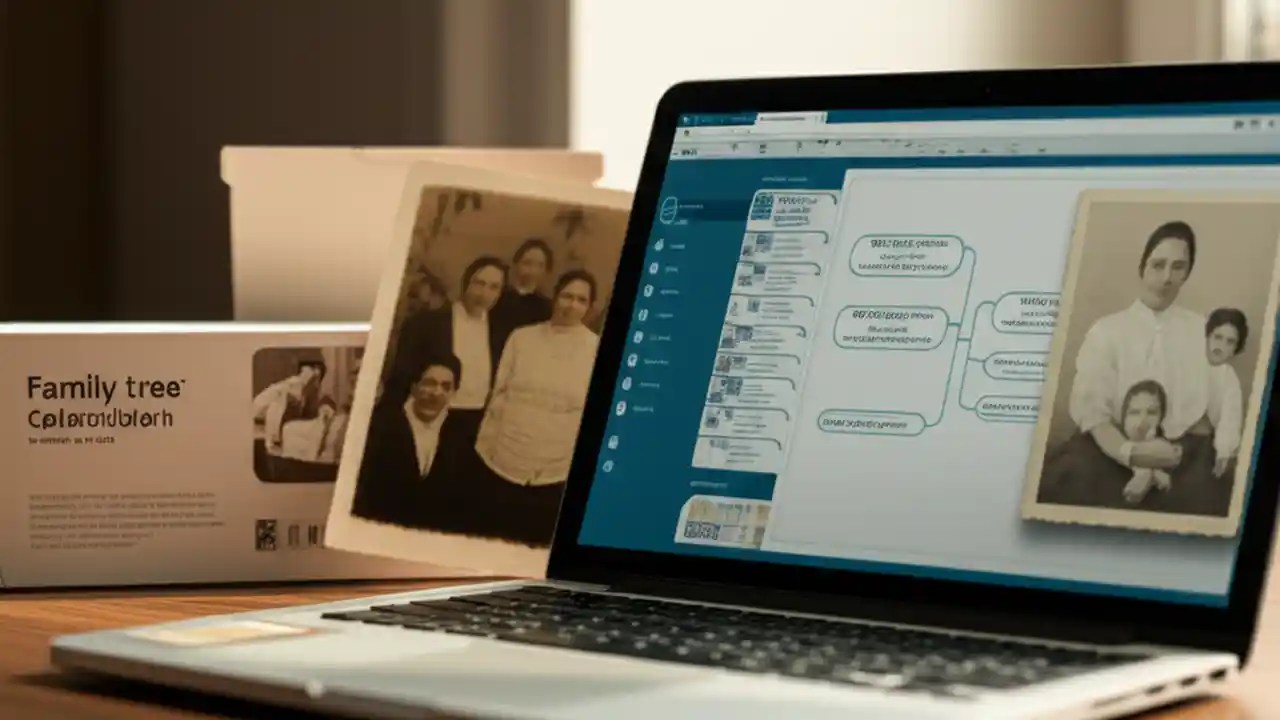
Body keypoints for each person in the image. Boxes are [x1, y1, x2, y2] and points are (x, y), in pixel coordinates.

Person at [1041, 220, 1229, 515]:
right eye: (1158, 265)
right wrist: (1133, 453)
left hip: (1181, 454)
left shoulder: (1202, 329)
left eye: (1179, 267)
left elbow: (1220, 401)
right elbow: (1093, 412)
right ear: (1142, 267)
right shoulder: (1107, 330)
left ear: (1187, 273)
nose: (1167, 278)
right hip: (1111, 448)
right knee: (1070, 483)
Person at [467, 269, 602, 546]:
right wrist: (487, 445)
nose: (572, 305)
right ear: (555, 297)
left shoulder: (596, 348)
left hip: (555, 469)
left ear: (589, 307)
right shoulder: (522, 337)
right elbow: (499, 393)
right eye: (567, 296)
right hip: (503, 455)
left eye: (581, 300)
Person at [387, 256, 510, 459]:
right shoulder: (426, 323)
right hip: (433, 419)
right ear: (466, 283)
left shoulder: (501, 332)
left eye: (494, 287)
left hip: (478, 423)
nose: (484, 293)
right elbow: (401, 379)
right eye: (479, 283)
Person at [350, 353, 461, 527]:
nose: (437, 392)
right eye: (429, 383)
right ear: (414, 386)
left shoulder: (457, 434)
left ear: (453, 393)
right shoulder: (380, 427)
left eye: (446, 387)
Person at [1204, 308, 1247, 479]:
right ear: (1207, 336)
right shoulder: (1187, 363)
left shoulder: (1229, 378)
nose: (1221, 346)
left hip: (1204, 442)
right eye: (1218, 337)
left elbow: (1230, 417)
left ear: (1236, 349)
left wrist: (1223, 450)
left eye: (1230, 342)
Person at [252, 360, 326, 454]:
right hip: (261, 421)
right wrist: (273, 442)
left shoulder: (308, 392)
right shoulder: (291, 387)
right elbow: (274, 410)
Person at [1118, 380, 1172, 504]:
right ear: (1123, 417)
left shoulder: (1166, 452)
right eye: (1134, 412)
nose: (1142, 421)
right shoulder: (1108, 450)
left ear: (1161, 417)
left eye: (1152, 413)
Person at [492, 238, 554, 335]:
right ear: (516, 264)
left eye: (540, 265)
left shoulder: (548, 308)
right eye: (527, 263)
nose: (532, 270)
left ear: (546, 270)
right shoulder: (498, 297)